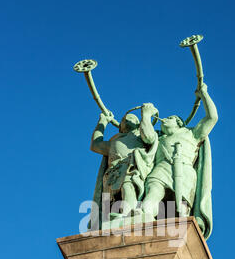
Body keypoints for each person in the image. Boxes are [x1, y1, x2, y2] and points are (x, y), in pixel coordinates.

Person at [141, 83, 218, 238]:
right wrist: (146, 115)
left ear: (178, 123)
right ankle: (143, 217)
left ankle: (182, 234)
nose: (164, 120)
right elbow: (146, 135)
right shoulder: (159, 138)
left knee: (182, 208)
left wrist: (204, 94)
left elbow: (212, 117)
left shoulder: (191, 134)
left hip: (184, 171)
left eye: (169, 118)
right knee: (152, 195)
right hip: (161, 169)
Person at [90, 104, 158, 222]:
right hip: (113, 171)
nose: (126, 120)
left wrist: (146, 115)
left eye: (132, 119)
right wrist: (102, 123)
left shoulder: (140, 134)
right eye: (124, 119)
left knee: (128, 185)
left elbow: (149, 137)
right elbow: (95, 145)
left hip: (131, 165)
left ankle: (129, 212)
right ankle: (117, 213)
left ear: (139, 123)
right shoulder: (114, 140)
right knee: (114, 195)